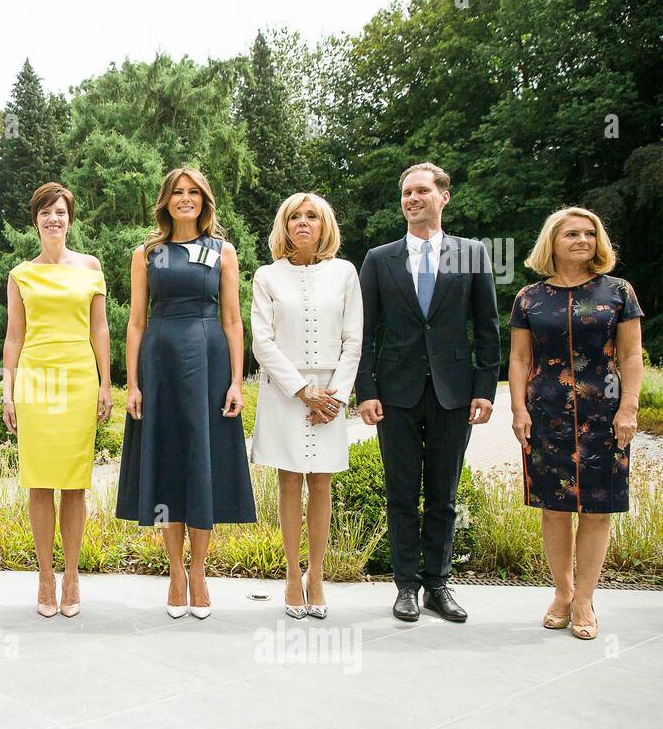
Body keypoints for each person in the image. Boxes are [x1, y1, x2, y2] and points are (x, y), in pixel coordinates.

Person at [354, 162, 501, 623]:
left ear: (443, 197)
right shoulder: (380, 258)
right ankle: (405, 588)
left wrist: (484, 388)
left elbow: (488, 327)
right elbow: (363, 331)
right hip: (394, 394)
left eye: (421, 191)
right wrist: (366, 389)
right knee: (400, 493)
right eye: (406, 194)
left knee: (444, 495)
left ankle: (438, 585)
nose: (412, 199)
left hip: (453, 392)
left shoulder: (470, 254)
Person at [115, 168, 254, 619]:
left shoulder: (223, 251)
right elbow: (136, 322)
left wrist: (236, 380)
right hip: (160, 364)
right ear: (166, 201)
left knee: (202, 461)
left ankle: (199, 571)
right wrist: (133, 383)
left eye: (193, 192)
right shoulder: (147, 253)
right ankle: (175, 571)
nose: (185, 199)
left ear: (205, 200)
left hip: (210, 363)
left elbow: (233, 321)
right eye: (178, 192)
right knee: (168, 464)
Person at [509, 207, 644, 640]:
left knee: (598, 507)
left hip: (605, 414)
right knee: (554, 507)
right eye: (572, 233)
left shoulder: (618, 292)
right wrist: (518, 410)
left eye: (590, 233)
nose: (582, 240)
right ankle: (562, 593)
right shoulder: (529, 297)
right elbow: (519, 358)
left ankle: (585, 598)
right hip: (546, 414)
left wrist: (629, 408)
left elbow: (631, 357)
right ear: (553, 241)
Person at [250, 193, 362, 619]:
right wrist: (301, 390)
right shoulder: (266, 276)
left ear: (324, 226)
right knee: (290, 480)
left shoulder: (345, 273)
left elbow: (354, 339)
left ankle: (317, 575)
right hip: (285, 391)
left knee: (321, 483)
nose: (302, 222)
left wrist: (334, 396)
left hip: (331, 394)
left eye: (311, 216)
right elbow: (262, 341)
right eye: (294, 216)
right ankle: (292, 576)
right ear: (284, 226)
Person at [3, 183, 110, 618]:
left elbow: (99, 329)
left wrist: (106, 383)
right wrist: (7, 392)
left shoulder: (90, 267)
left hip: (79, 379)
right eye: (46, 212)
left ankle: (71, 575)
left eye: (61, 212)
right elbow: (14, 335)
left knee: (74, 483)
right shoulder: (20, 274)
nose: (54, 219)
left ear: (70, 219)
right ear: (36, 221)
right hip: (35, 380)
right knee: (40, 481)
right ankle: (45, 576)